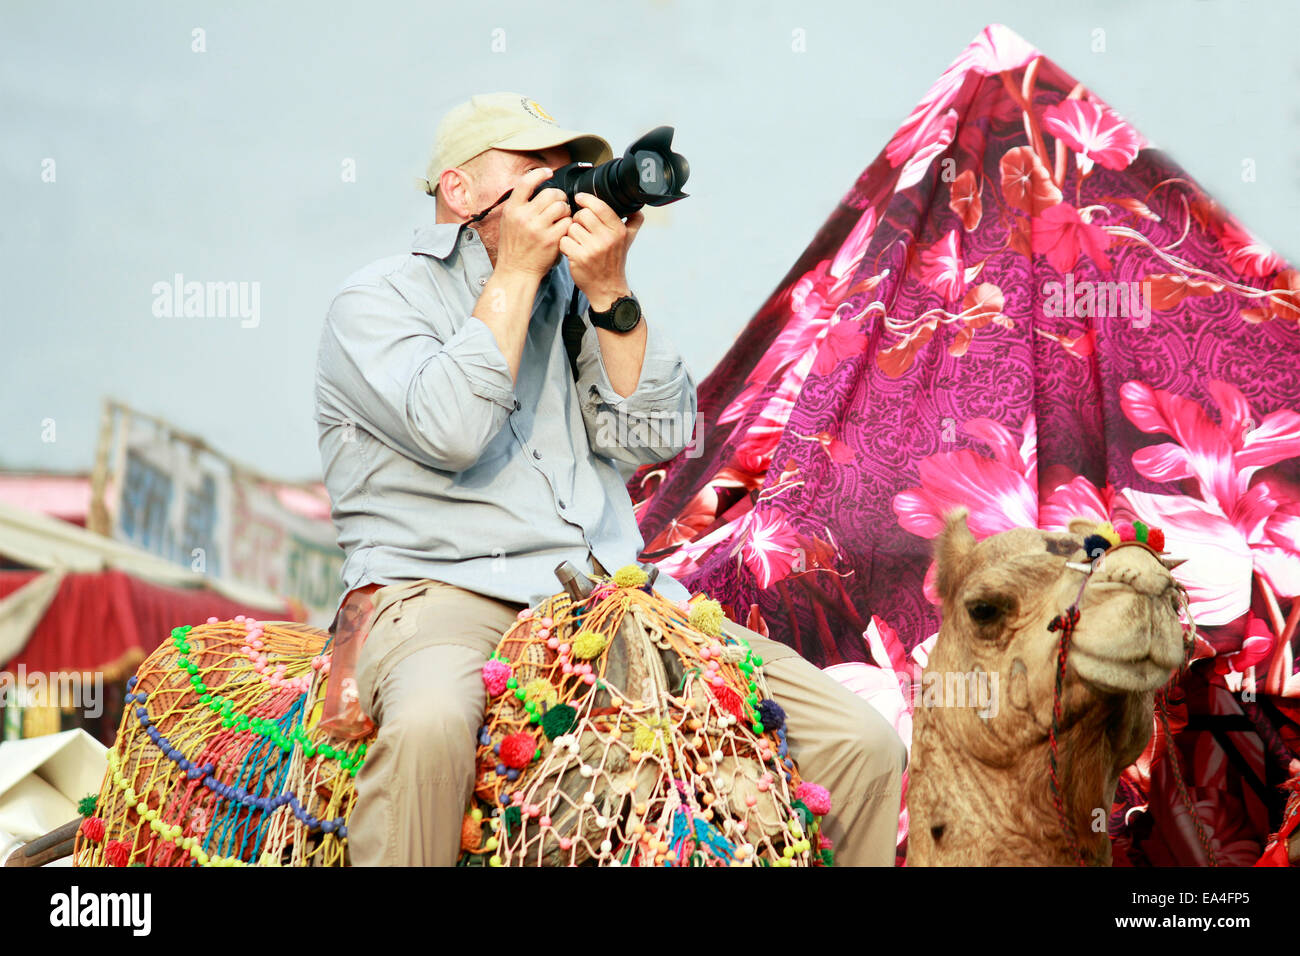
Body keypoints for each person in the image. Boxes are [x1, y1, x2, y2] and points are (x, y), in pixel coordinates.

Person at [314, 92, 906, 866]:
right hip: (442, 589)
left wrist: (610, 295)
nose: (559, 188)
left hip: (608, 592)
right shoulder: (378, 299)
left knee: (860, 742)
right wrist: (518, 277)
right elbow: (451, 430)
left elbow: (653, 439)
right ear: (458, 191)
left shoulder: (576, 297)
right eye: (532, 170)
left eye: (569, 173)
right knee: (430, 729)